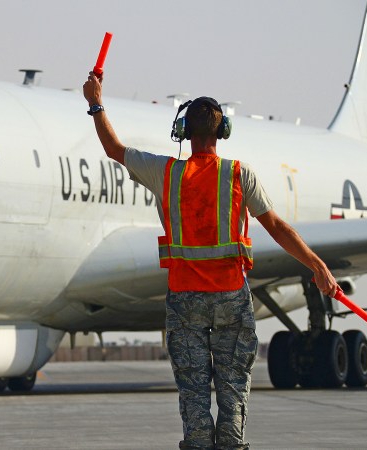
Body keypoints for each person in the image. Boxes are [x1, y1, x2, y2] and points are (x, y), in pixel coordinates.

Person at [82, 72, 338, 449]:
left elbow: (113, 148)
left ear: (183, 132)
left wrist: (95, 102)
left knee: (194, 393)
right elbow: (277, 227)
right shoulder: (239, 174)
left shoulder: (166, 172)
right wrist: (318, 265)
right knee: (233, 392)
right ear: (223, 132)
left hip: (185, 299)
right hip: (231, 298)